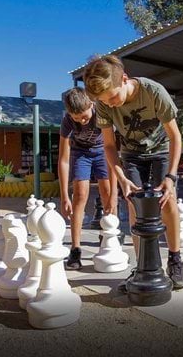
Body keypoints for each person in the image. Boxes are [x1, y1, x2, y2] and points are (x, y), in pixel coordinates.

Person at [82, 54, 183, 290]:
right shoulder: (103, 104)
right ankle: (142, 266)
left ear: (125, 79)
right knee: (134, 206)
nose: (109, 104)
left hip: (160, 150)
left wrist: (171, 177)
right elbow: (109, 146)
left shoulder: (154, 92)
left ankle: (175, 259)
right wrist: (121, 178)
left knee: (167, 201)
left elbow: (176, 136)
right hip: (131, 154)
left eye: (113, 97)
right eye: (103, 101)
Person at [58, 87, 111, 270]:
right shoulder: (67, 122)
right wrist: (64, 195)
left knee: (107, 192)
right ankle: (75, 248)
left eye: (84, 116)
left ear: (91, 104)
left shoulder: (102, 111)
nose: (81, 120)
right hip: (80, 153)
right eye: (76, 117)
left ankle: (109, 237)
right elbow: (63, 160)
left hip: (103, 150)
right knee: (79, 195)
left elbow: (113, 145)